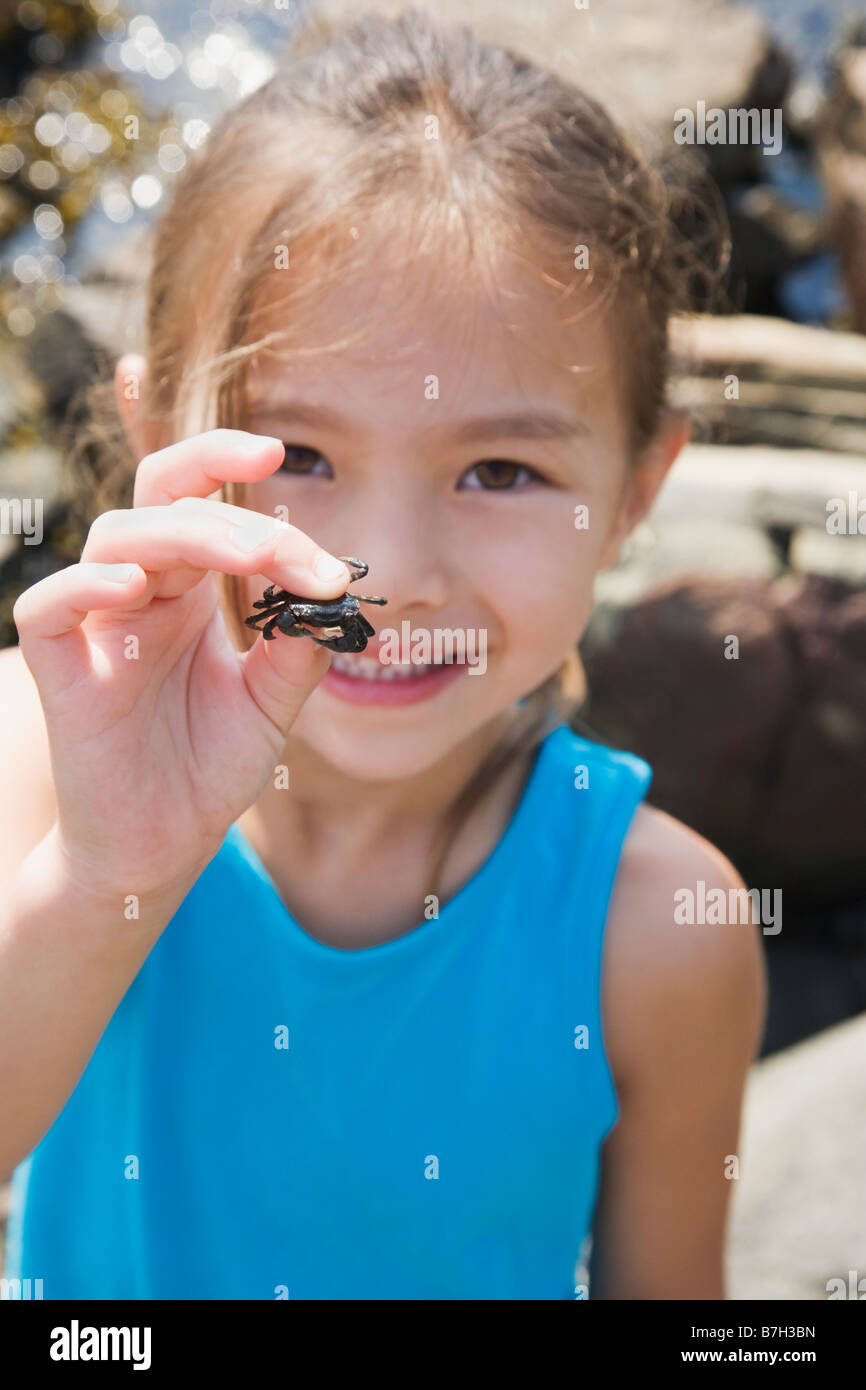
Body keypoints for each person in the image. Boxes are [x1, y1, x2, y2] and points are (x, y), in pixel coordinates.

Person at [0, 8, 765, 1299]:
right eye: (296, 455)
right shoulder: (41, 759)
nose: (388, 572)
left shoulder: (655, 929)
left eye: (500, 469)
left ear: (637, 487)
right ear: (153, 436)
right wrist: (102, 873)